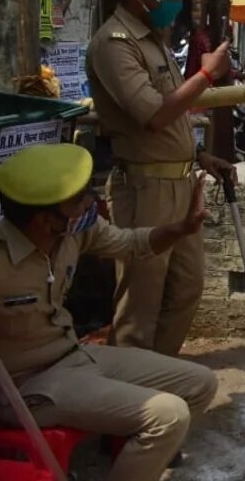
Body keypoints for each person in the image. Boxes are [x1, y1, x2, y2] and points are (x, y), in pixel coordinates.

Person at [0, 144, 218, 481]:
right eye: (76, 201)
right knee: (167, 415)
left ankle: (129, 457)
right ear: (44, 220)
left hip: (75, 356)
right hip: (28, 386)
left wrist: (182, 228)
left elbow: (131, 244)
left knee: (200, 383)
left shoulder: (75, 230)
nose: (89, 203)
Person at [85, 0, 236, 356]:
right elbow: (154, 115)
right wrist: (206, 74)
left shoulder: (153, 40)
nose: (179, 2)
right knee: (141, 299)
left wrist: (200, 157)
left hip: (180, 182)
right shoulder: (114, 44)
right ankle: (129, 399)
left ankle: (159, 374)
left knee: (187, 288)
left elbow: (174, 115)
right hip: (146, 187)